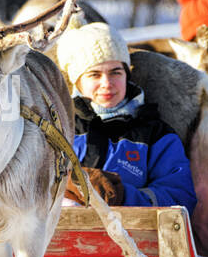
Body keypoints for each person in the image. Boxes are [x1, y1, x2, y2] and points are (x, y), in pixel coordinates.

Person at [55, 22, 197, 212]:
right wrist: (67, 183)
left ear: (126, 76)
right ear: (77, 81)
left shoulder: (156, 135)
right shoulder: (59, 128)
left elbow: (180, 197)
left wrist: (124, 196)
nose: (107, 83)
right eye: (94, 75)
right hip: (63, 238)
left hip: (136, 239)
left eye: (116, 72)